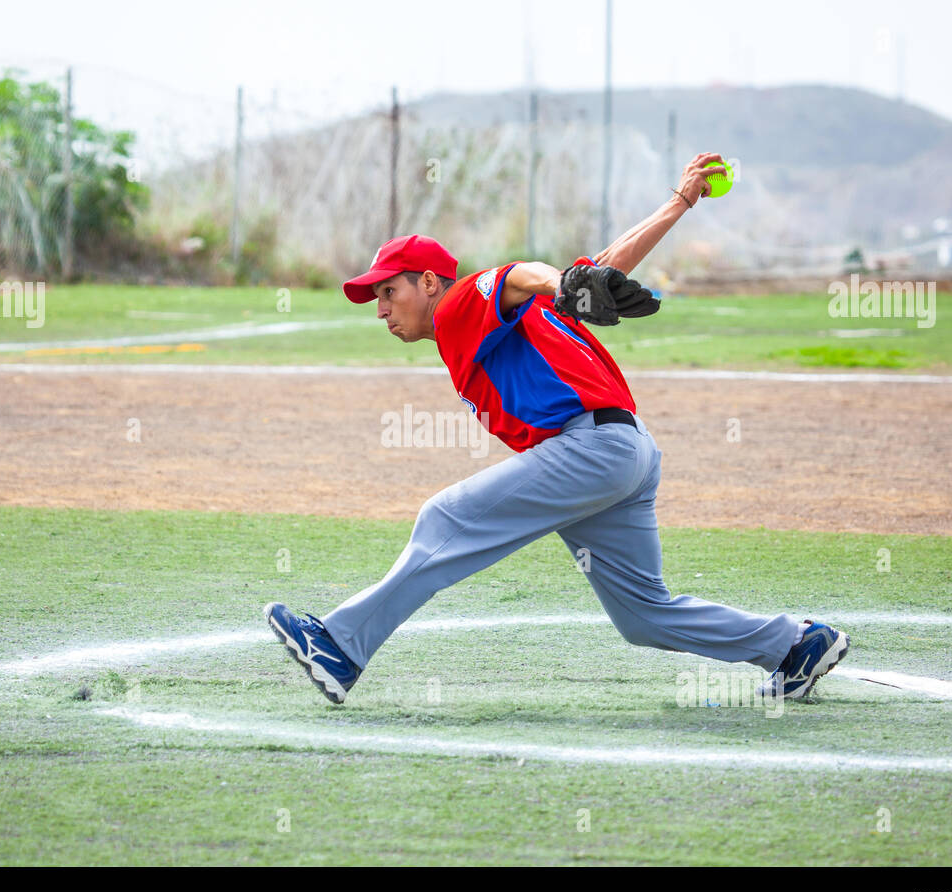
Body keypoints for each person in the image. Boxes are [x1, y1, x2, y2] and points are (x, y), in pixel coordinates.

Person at [264, 152, 848, 704]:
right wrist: (677, 203)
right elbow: (599, 271)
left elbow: (520, 274)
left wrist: (563, 282)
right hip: (627, 453)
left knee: (445, 518)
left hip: (592, 449)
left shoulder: (461, 304)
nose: (382, 308)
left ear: (430, 283)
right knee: (643, 615)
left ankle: (340, 646)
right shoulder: (530, 309)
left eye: (389, 291)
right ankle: (793, 645)